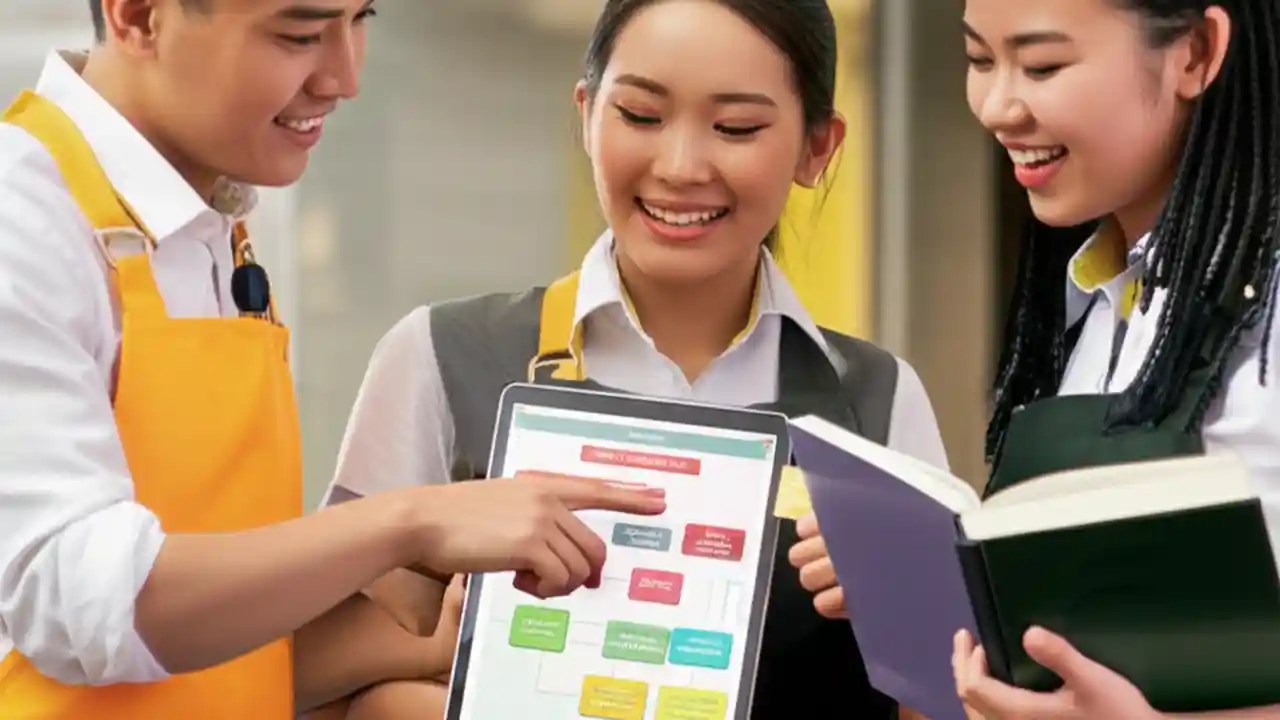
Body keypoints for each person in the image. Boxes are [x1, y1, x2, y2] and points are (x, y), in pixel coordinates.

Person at [0, 1, 667, 718]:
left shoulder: (213, 222)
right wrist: (413, 521)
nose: (345, 77)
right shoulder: (25, 216)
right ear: (137, 17)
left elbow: (231, 622)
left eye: (361, 19)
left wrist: (431, 646)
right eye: (300, 35)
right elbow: (82, 601)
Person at [316, 0, 951, 717]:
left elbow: (954, 697)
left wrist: (907, 617)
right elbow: (319, 685)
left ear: (817, 149)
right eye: (641, 116)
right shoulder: (440, 357)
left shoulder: (877, 402)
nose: (680, 167)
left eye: (736, 128)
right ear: (586, 115)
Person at [944, 0, 1280, 718]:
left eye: (1042, 66)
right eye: (978, 60)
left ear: (1195, 53)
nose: (998, 107)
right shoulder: (1093, 301)